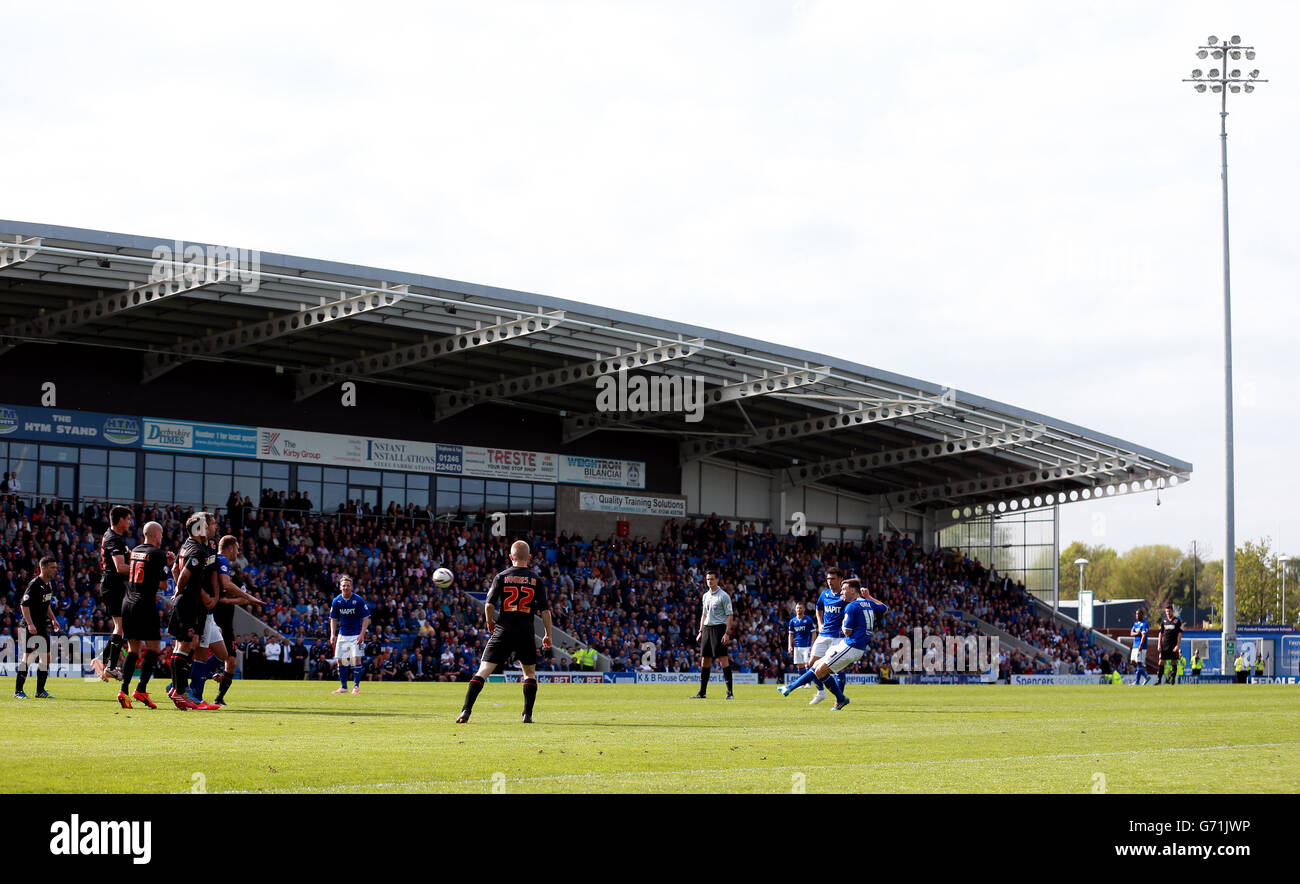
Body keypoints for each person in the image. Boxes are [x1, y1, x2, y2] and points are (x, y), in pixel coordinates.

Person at [457, 540, 553, 724]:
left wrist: (489, 622)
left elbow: (489, 605)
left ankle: (465, 711)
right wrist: (548, 635)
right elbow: (545, 611)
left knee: (483, 671)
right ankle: (527, 714)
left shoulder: (501, 577)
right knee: (529, 674)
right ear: (529, 557)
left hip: (504, 629)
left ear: (511, 557)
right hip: (525, 630)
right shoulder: (536, 580)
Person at [779, 578, 887, 711]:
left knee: (820, 671)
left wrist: (842, 624)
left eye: (844, 589)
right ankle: (790, 687)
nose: (842, 592)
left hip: (851, 646)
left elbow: (847, 632)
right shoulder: (867, 603)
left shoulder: (851, 606)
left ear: (853, 591)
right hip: (851, 645)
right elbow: (884, 608)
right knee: (817, 664)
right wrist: (869, 596)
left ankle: (840, 699)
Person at [167, 512, 221, 710]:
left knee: (191, 644)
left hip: (190, 602)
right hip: (188, 603)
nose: (213, 527)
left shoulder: (186, 546)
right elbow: (182, 575)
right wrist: (179, 591)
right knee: (184, 646)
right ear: (200, 528)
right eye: (211, 524)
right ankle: (179, 691)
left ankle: (178, 690)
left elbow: (174, 570)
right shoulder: (197, 551)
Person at [117, 521, 172, 709]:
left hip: (128, 603)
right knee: (154, 648)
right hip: (145, 605)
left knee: (133, 650)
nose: (162, 537)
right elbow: (164, 585)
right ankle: (141, 688)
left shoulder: (135, 550)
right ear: (156, 535)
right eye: (162, 533)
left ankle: (123, 691)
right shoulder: (158, 554)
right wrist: (168, 564)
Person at [93, 505, 133, 681]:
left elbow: (128, 557)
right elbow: (120, 567)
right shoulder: (113, 539)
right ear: (120, 520)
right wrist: (141, 569)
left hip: (115, 586)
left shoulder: (115, 538)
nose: (130, 522)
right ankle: (111, 666)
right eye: (128, 519)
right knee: (121, 627)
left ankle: (101, 661)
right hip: (113, 586)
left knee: (121, 626)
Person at [14, 556, 61, 699]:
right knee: (27, 658)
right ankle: (18, 691)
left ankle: (40, 691)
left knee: (46, 657)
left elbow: (46, 605)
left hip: (40, 626)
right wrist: (30, 624)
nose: (55, 570)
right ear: (44, 568)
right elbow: (24, 605)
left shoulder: (48, 585)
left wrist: (53, 619)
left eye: (55, 567)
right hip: (29, 626)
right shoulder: (34, 584)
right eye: (52, 567)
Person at [690, 570, 733, 700]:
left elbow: (730, 615)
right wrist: (700, 631)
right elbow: (704, 614)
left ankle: (730, 692)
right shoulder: (705, 596)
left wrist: (726, 633)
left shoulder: (724, 596)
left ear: (717, 580)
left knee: (723, 660)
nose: (710, 581)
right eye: (708, 579)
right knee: (705, 660)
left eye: (712, 579)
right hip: (707, 629)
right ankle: (702, 692)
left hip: (719, 628)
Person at [808, 568, 847, 705]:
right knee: (811, 664)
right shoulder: (824, 595)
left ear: (840, 580)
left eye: (833, 579)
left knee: (839, 669)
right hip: (824, 634)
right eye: (828, 579)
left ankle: (839, 699)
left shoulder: (845, 596)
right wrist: (820, 622)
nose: (829, 582)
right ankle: (821, 692)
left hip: (839, 637)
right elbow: (818, 608)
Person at [329, 576, 371, 695]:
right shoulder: (336, 601)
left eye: (348, 585)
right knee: (340, 661)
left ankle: (356, 686)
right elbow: (333, 618)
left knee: (356, 659)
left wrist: (362, 634)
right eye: (344, 585)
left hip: (357, 635)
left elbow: (366, 618)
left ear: (351, 587)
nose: (346, 587)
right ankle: (343, 687)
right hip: (343, 635)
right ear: (340, 587)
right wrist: (333, 634)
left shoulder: (358, 600)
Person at [786, 600, 816, 690]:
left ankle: (808, 683)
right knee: (799, 665)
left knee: (807, 664)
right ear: (795, 609)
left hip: (806, 646)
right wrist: (789, 646)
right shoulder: (793, 621)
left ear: (804, 609)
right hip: (797, 647)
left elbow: (814, 633)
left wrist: (813, 644)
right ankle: (802, 683)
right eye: (797, 608)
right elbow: (790, 634)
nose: (799, 609)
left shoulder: (808, 620)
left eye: (800, 608)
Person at [1156, 603, 1183, 685]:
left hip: (1173, 645)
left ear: (1172, 611)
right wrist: (1159, 644)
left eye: (1169, 611)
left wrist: (1177, 646)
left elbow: (1179, 634)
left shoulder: (1177, 621)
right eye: (1166, 611)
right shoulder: (1164, 621)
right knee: (1161, 662)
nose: (1168, 613)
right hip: (1164, 645)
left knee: (1173, 662)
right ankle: (1159, 680)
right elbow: (1160, 633)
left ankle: (1173, 680)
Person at [1129, 608, 1152, 686]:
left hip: (1141, 646)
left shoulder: (1145, 624)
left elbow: (1144, 635)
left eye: (1139, 614)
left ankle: (1137, 681)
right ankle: (1146, 676)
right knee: (1132, 661)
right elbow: (1131, 633)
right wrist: (1137, 634)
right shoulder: (1135, 624)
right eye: (1136, 614)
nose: (1137, 615)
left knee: (1139, 663)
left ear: (1142, 615)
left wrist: (1140, 645)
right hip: (1134, 645)